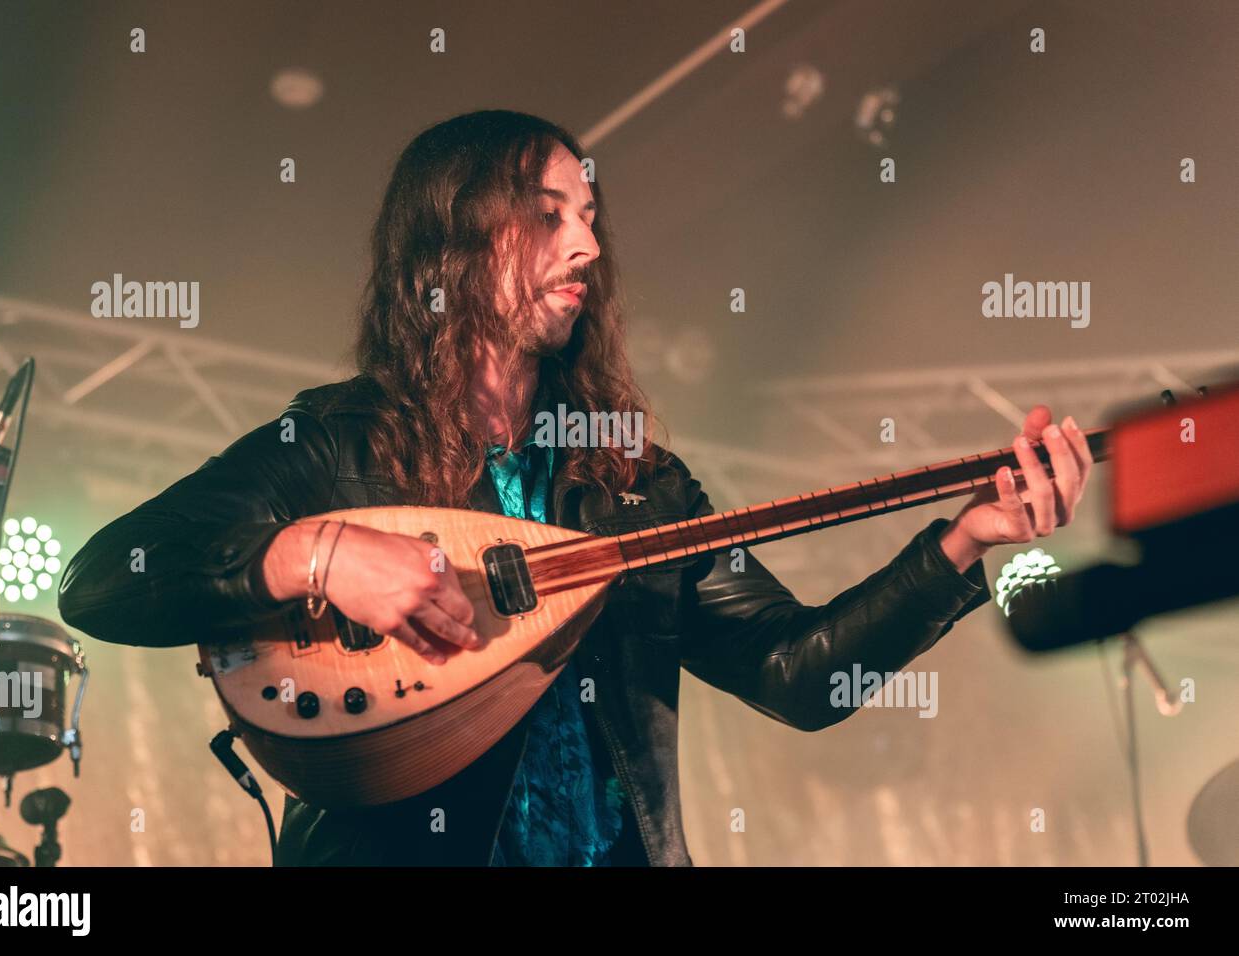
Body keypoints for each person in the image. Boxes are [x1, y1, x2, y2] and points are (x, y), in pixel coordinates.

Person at [58, 110, 1094, 866]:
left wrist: (965, 542)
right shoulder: (336, 441)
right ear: (455, 235)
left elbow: (796, 673)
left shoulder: (634, 483)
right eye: (549, 214)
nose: (589, 247)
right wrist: (314, 554)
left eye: (589, 216)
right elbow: (103, 579)